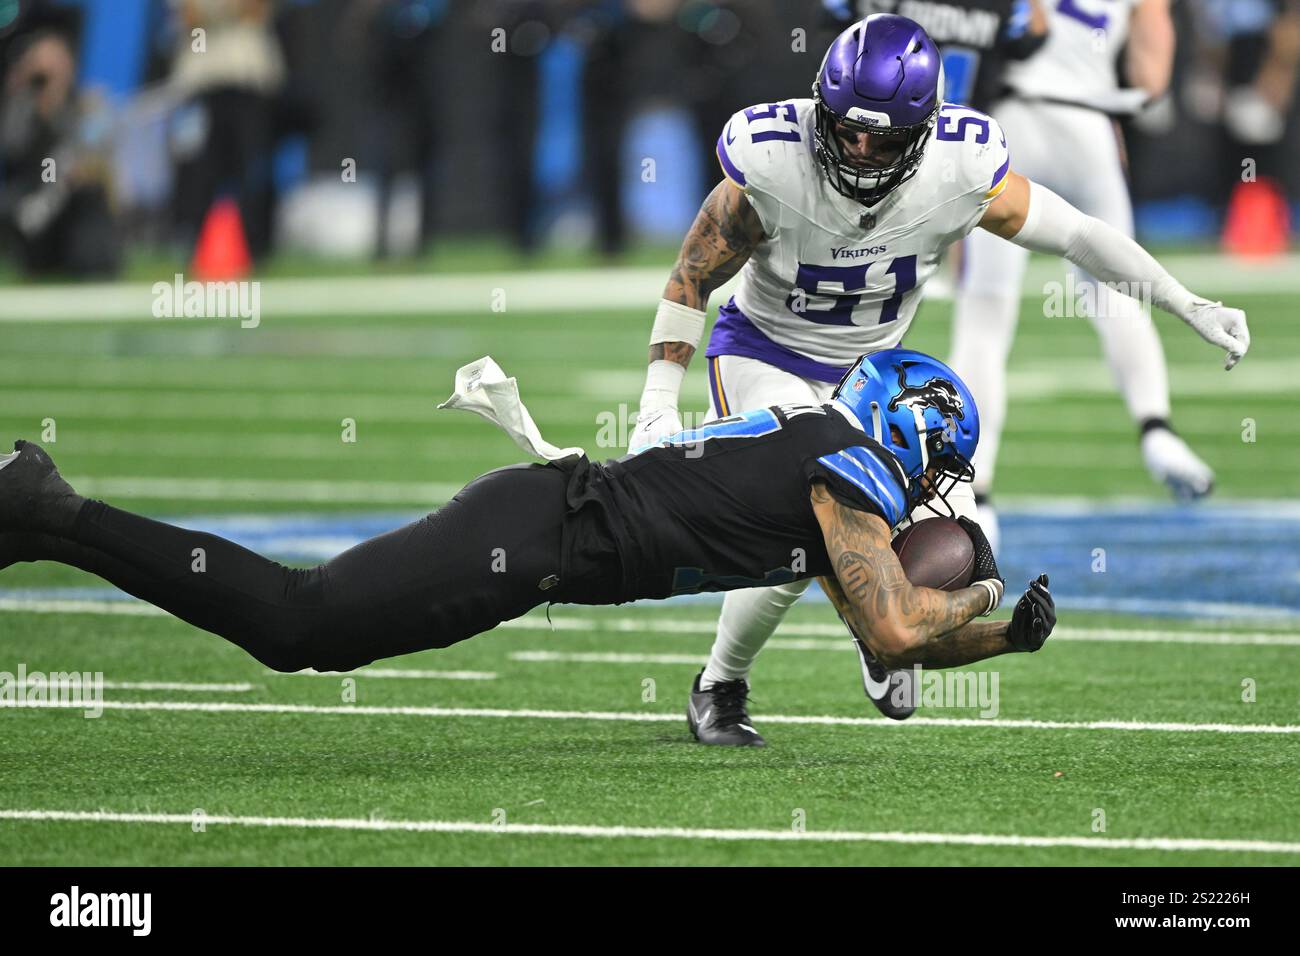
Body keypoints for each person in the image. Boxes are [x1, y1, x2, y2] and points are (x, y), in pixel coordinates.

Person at [624, 14, 1249, 745]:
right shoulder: (772, 159)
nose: (860, 154)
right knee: (800, 528)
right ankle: (722, 683)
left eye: (884, 140)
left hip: (874, 374)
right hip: (766, 353)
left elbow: (1079, 234)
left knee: (938, 530)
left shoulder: (959, 167)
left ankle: (876, 625)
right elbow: (691, 278)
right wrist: (656, 404)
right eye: (846, 131)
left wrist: (1186, 301)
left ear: (923, 134)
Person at [0, 349, 1056, 748]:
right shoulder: (849, 465)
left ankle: (38, 518)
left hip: (540, 536)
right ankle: (51, 510)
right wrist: (979, 591)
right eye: (937, 466)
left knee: (306, 628)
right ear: (910, 430)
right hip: (534, 532)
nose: (932, 494)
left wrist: (1007, 634)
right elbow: (894, 624)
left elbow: (887, 632)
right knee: (297, 622)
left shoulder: (828, 465)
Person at [951, 0, 1213, 552]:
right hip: (1087, 126)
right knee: (1118, 296)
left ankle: (979, 494)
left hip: (1008, 124)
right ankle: (1157, 428)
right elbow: (1151, 80)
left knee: (985, 313)